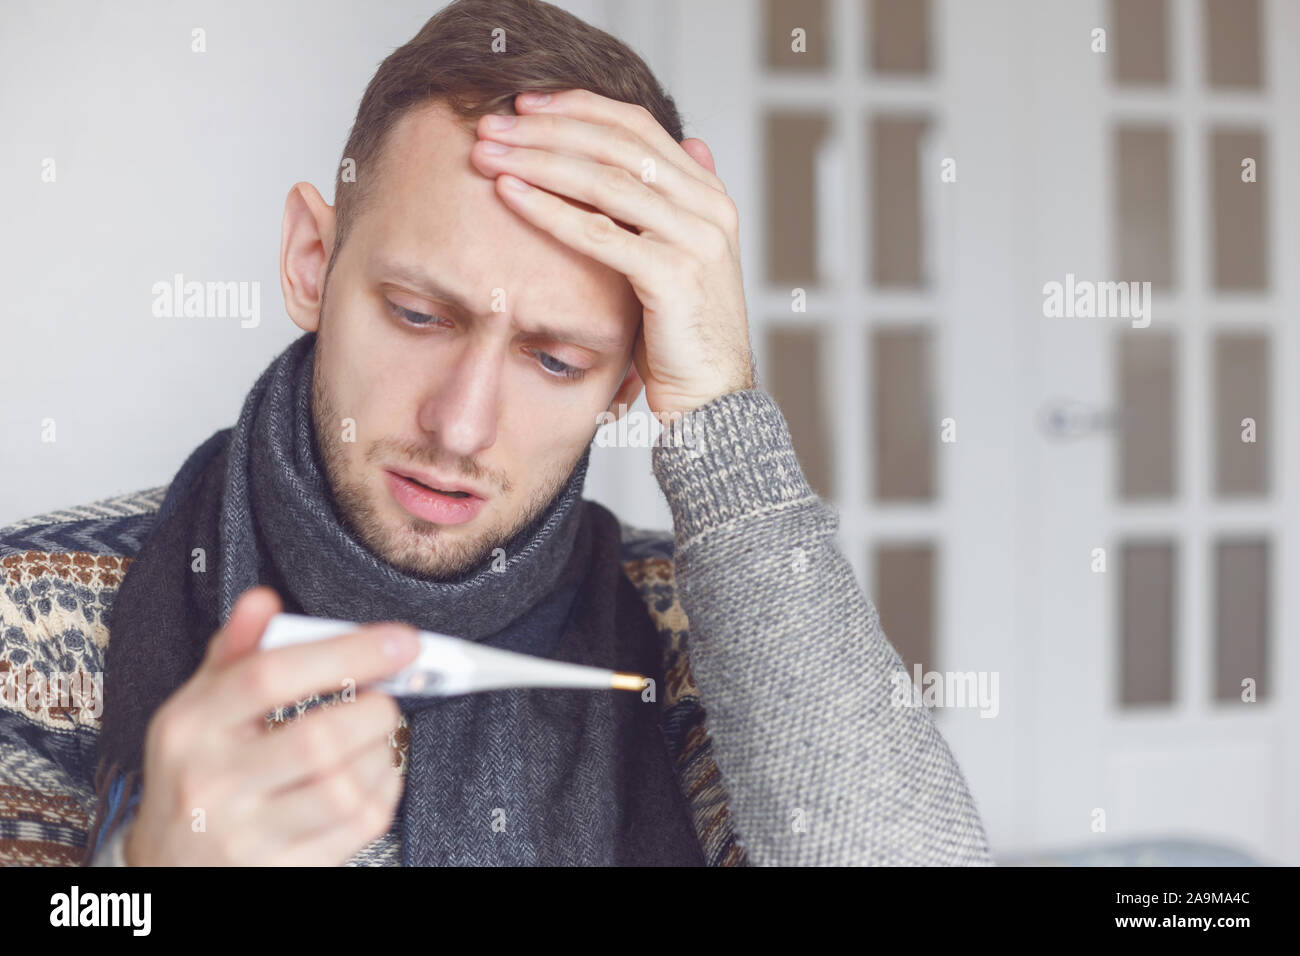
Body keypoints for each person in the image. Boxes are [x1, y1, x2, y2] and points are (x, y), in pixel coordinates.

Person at [0, 0, 991, 867]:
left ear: (628, 385)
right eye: (418, 315)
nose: (460, 423)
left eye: (556, 360)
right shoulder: (32, 613)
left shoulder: (693, 636)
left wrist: (722, 410)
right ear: (312, 262)